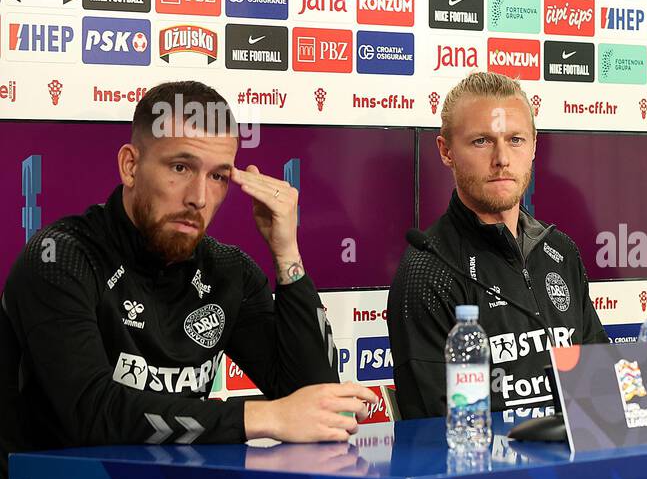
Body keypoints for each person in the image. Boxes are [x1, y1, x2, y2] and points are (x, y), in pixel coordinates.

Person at [0, 80, 375, 449]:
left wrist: (287, 254)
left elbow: (315, 403)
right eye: (180, 167)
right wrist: (264, 417)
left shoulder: (229, 271)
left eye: (218, 176)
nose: (199, 197)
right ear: (130, 166)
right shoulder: (60, 258)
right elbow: (91, 413)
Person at [388, 72, 607, 418]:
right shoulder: (427, 269)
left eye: (516, 139)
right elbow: (434, 429)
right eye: (482, 141)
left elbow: (600, 383)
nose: (502, 158)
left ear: (534, 145)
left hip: (575, 467)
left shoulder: (560, 250)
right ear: (446, 151)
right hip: (486, 470)